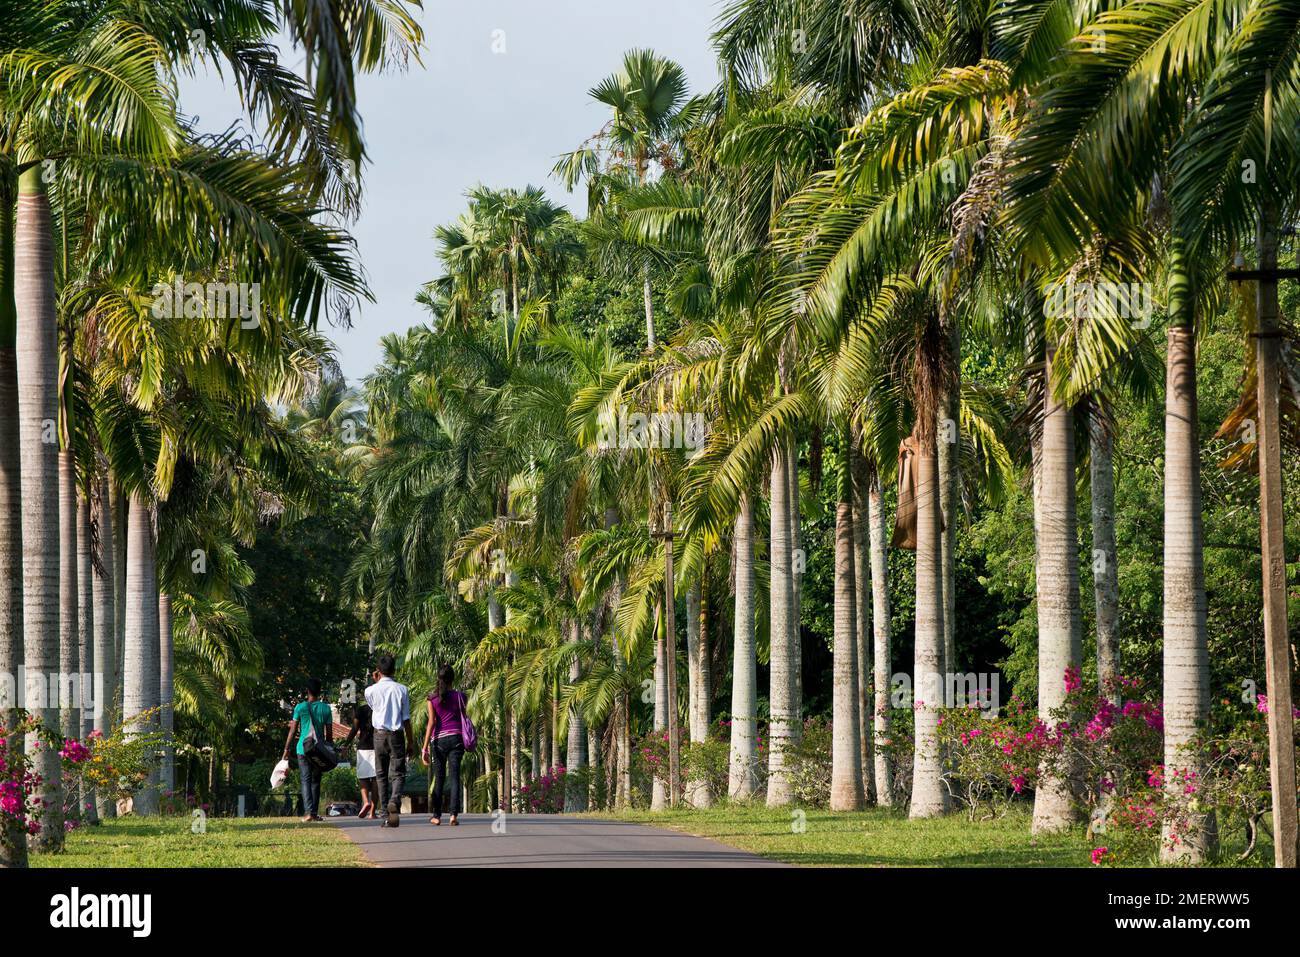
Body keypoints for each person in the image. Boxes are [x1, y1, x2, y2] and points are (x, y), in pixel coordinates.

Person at [364, 655, 413, 827]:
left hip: (379, 735)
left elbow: (374, 707)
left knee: (381, 774)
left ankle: (385, 812)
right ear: (394, 670)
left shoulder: (370, 691)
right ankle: (394, 800)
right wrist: (411, 741)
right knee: (398, 773)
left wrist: (376, 682)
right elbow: (406, 718)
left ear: (378, 671)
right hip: (397, 735)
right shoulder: (402, 689)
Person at [421, 664, 467, 826]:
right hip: (457, 739)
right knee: (455, 777)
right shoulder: (461, 697)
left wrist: (424, 747)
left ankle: (437, 816)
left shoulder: (432, 699)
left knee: (439, 778)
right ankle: (453, 815)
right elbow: (463, 717)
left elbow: (431, 723)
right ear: (453, 679)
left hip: (439, 741)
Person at [282, 678, 332, 823]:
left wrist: (286, 749)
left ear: (307, 691)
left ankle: (308, 812)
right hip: (319, 750)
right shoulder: (325, 708)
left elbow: (292, 731)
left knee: (305, 780)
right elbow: (329, 734)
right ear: (319, 691)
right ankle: (314, 813)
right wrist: (329, 748)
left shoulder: (300, 707)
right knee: (316, 781)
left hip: (302, 749)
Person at [342, 694, 378, 818]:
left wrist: (346, 744)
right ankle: (372, 813)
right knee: (375, 779)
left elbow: (354, 729)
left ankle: (366, 801)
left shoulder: (361, 710)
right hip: (378, 746)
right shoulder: (380, 709)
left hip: (363, 747)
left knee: (363, 777)